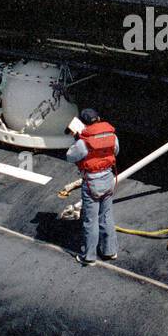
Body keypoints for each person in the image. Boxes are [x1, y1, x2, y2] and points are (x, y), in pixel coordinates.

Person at [66, 108, 119, 266]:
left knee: (90, 220)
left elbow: (70, 156)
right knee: (106, 216)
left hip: (92, 183)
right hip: (109, 179)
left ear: (83, 123)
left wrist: (77, 139)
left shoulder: (83, 142)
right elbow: (116, 151)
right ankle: (110, 251)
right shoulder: (112, 136)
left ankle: (89, 256)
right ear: (99, 118)